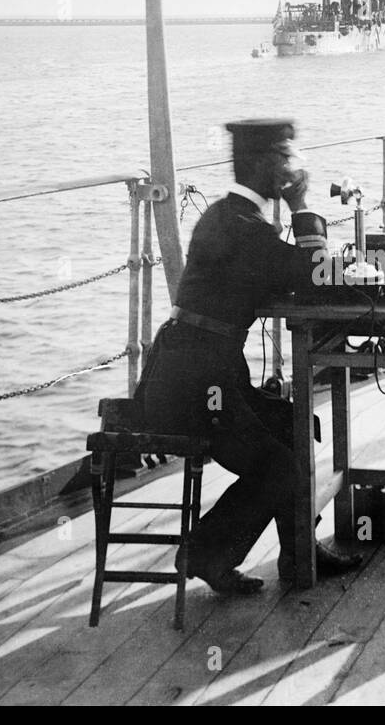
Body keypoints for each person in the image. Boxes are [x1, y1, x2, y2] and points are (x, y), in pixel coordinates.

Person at [134, 119, 362, 594]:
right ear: (262, 165)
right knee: (277, 463)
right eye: (284, 157)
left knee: (292, 425)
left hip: (201, 370)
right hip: (194, 386)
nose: (293, 167)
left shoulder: (229, 217)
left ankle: (300, 556)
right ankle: (206, 554)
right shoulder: (244, 228)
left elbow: (288, 271)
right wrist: (302, 206)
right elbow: (315, 277)